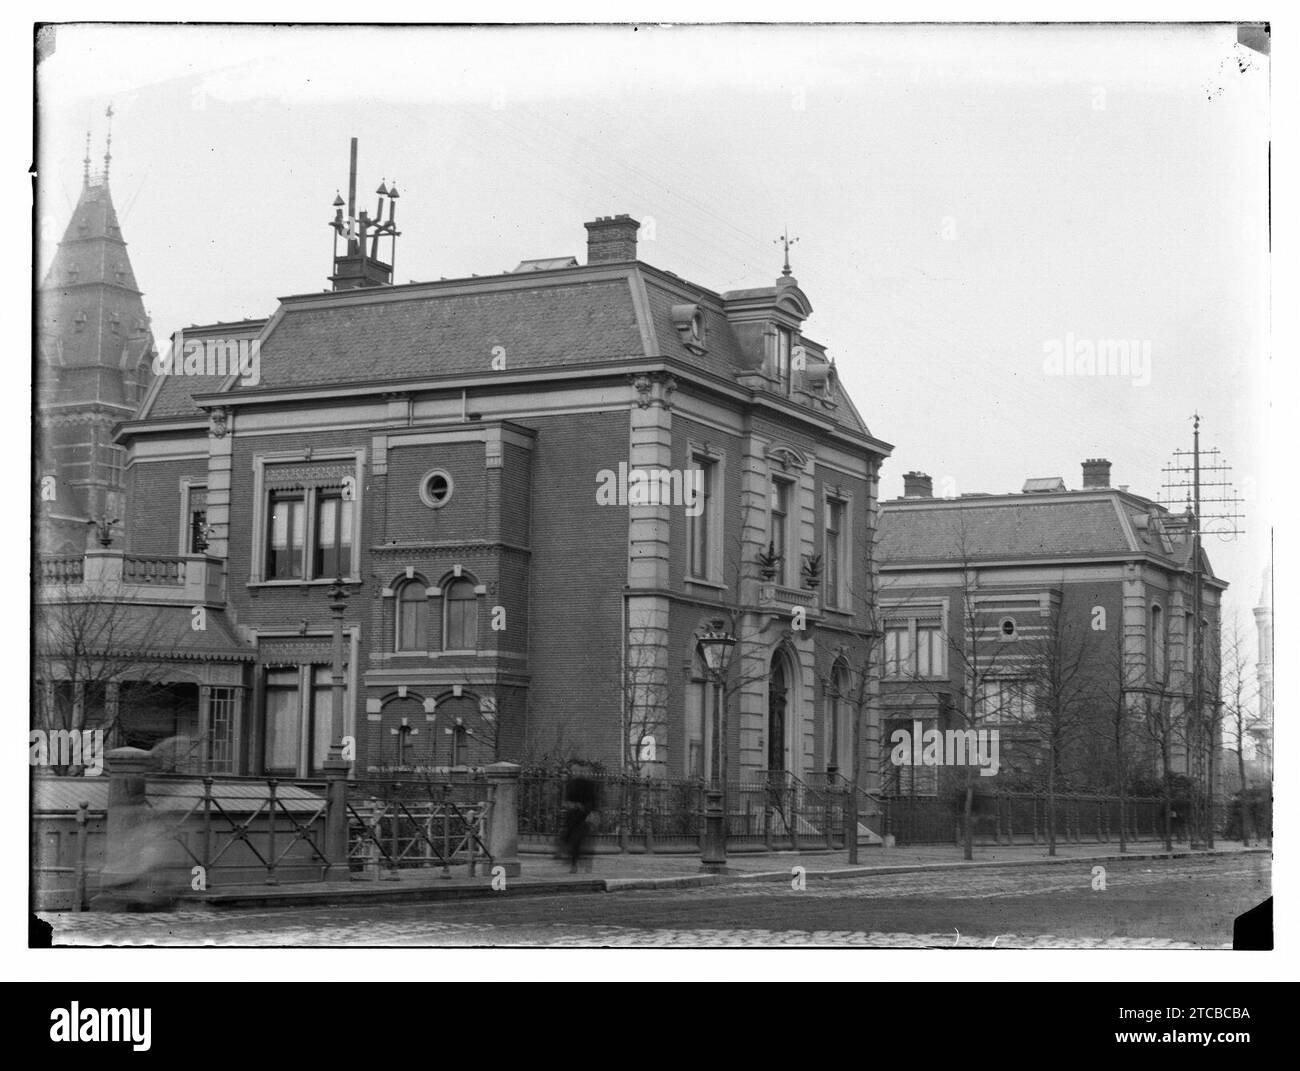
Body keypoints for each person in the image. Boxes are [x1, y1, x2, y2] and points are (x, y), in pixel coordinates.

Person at [558, 772, 598, 873]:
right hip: (573, 817)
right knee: (574, 840)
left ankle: (576, 864)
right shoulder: (572, 784)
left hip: (583, 818)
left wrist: (583, 808)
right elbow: (566, 801)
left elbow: (592, 802)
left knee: (578, 840)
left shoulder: (586, 785)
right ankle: (577, 863)